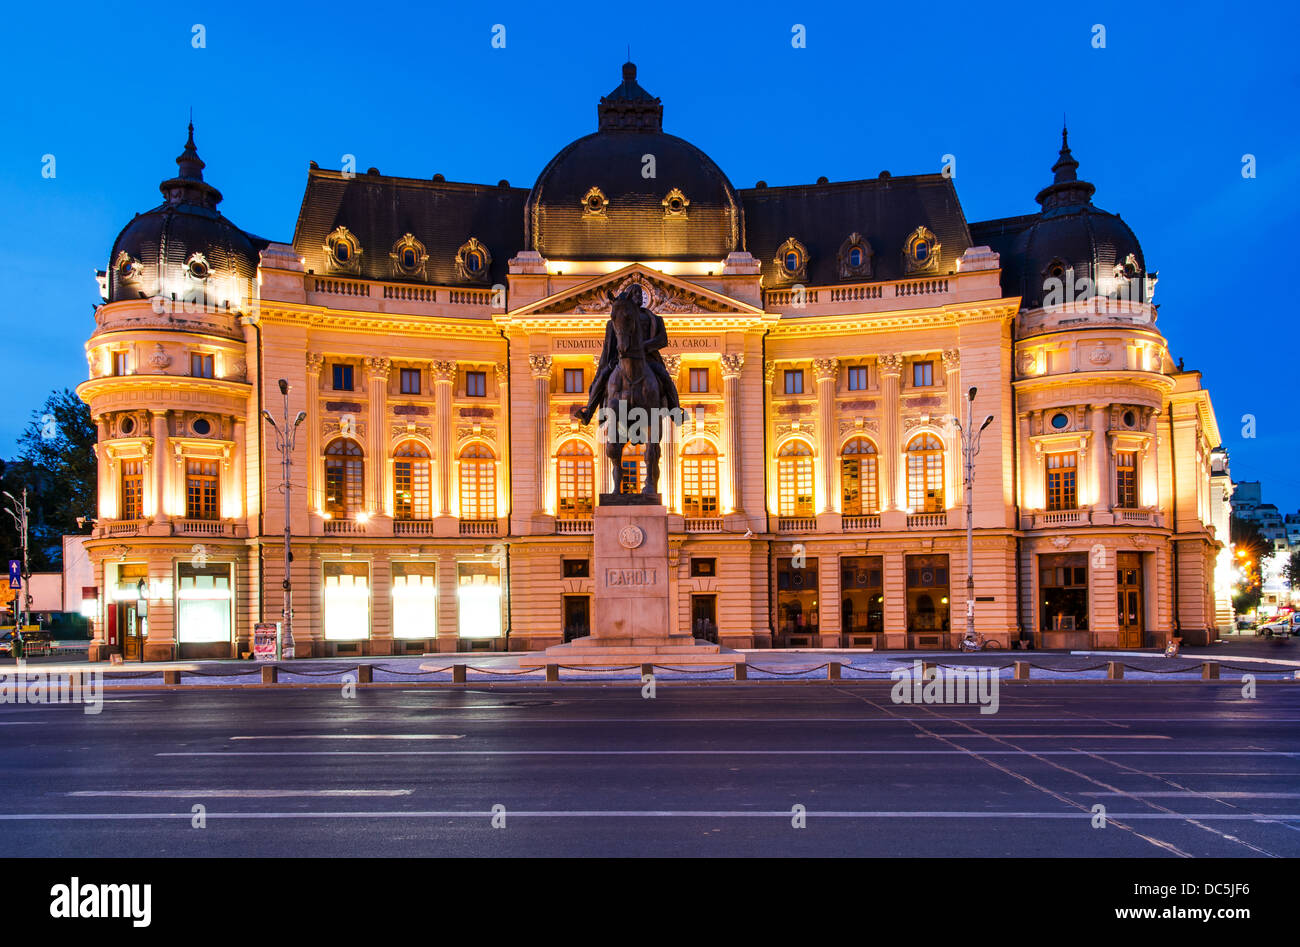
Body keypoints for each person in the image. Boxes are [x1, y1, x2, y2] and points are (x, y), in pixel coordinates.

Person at [576, 284, 680, 425]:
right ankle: (588, 411)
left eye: (639, 293)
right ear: (629, 296)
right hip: (620, 360)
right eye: (634, 293)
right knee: (602, 377)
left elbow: (662, 340)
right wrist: (609, 361)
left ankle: (675, 410)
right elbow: (609, 346)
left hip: (648, 360)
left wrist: (644, 346)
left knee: (665, 377)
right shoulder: (617, 320)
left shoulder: (654, 319)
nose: (638, 296)